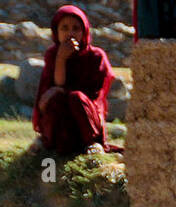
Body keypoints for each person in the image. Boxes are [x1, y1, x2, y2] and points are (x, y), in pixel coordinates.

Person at [32, 6, 116, 157]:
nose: (70, 33)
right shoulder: (52, 54)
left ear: (84, 32)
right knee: (55, 100)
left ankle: (93, 144)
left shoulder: (96, 57)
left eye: (76, 28)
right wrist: (61, 58)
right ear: (56, 32)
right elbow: (49, 91)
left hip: (86, 119)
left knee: (75, 97)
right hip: (63, 123)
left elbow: (93, 95)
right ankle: (48, 141)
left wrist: (63, 90)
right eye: (64, 28)